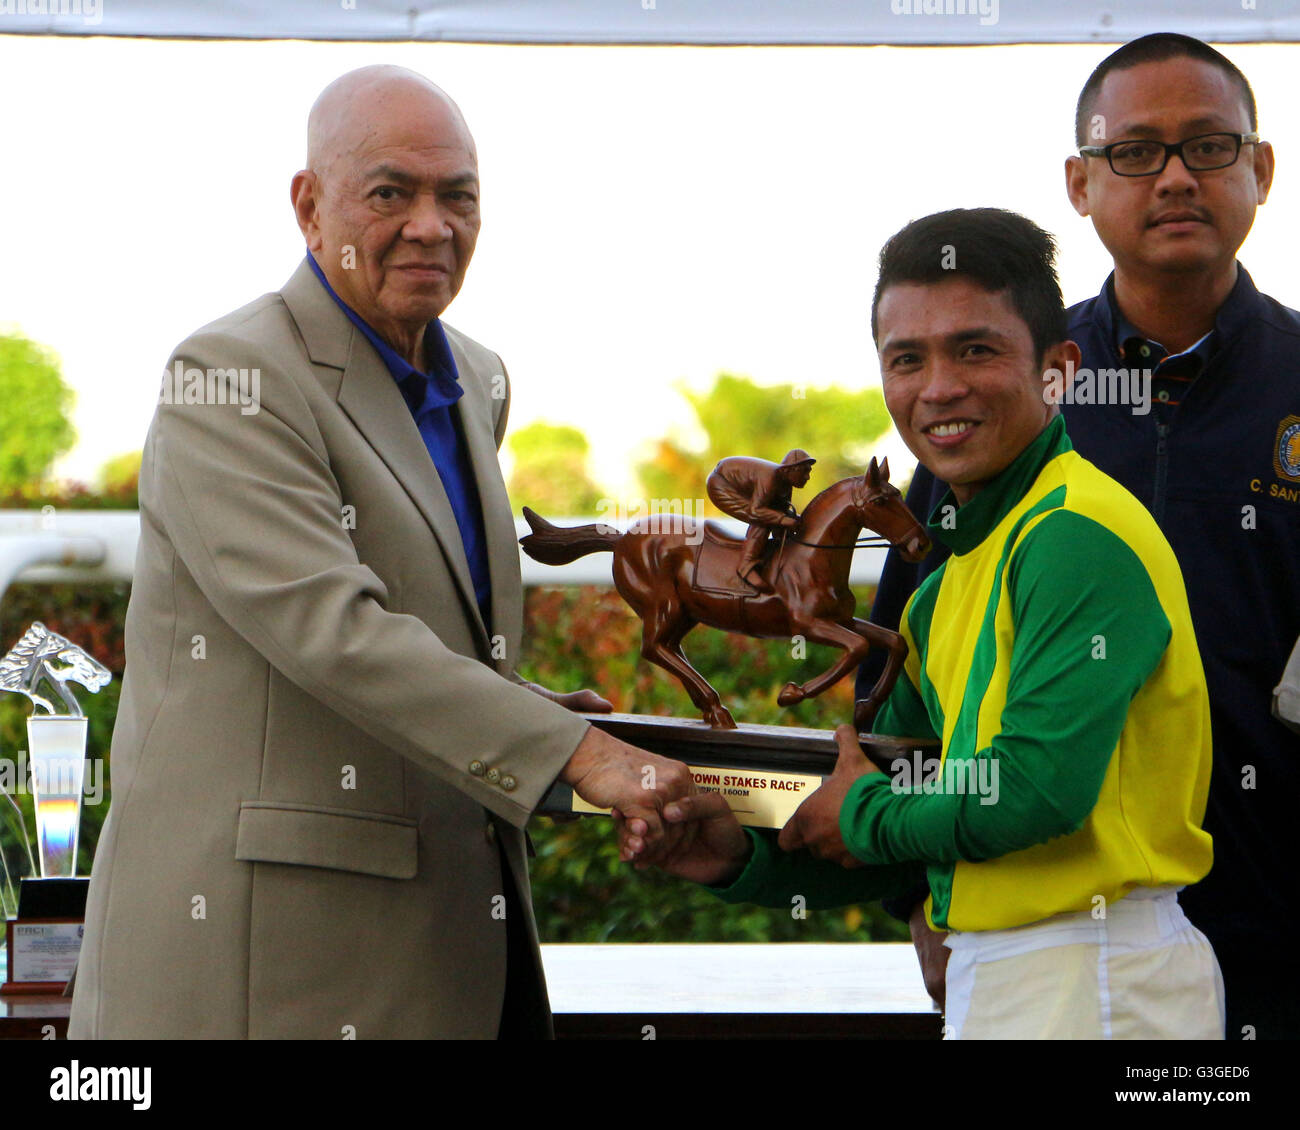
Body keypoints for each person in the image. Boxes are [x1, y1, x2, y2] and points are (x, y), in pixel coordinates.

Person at [69, 65, 698, 1040]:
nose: (430, 224)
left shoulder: (478, 376)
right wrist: (579, 755)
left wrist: (531, 718)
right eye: (391, 192)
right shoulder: (228, 376)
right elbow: (331, 629)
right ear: (309, 207)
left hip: (439, 953)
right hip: (266, 971)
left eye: (458, 195)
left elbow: (426, 630)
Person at [632, 208, 1224, 1039]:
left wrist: (862, 813)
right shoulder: (941, 586)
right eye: (907, 359)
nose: (938, 387)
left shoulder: (1074, 535)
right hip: (1027, 976)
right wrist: (735, 854)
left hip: (1094, 978)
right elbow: (895, 819)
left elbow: (1030, 793)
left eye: (975, 349)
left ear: (1059, 371)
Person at [859, 33, 1300, 1039]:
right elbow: (903, 665)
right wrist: (919, 889)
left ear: (1261, 170)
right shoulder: (995, 382)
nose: (1176, 177)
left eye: (1209, 147)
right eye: (1136, 152)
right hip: (1049, 914)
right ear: (1080, 183)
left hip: (1277, 908)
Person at [705, 450, 816, 591]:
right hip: (722, 485)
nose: (807, 477)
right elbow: (755, 511)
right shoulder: (770, 477)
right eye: (805, 471)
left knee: (776, 517)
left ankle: (778, 557)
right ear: (791, 469)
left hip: (740, 486)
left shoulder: (785, 483)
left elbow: (784, 511)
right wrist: (783, 520)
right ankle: (746, 567)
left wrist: (793, 521)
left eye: (809, 472)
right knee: (764, 519)